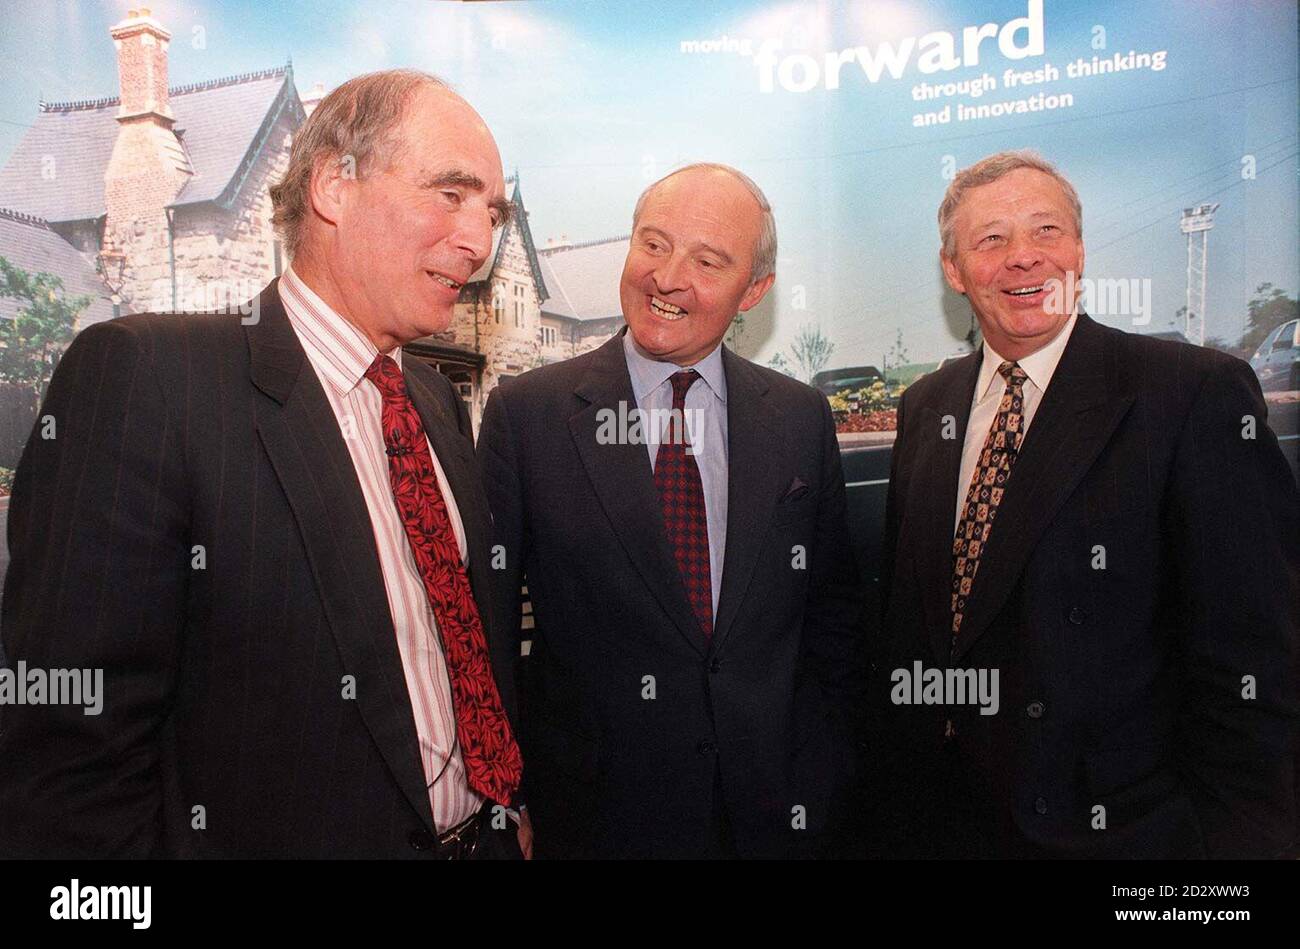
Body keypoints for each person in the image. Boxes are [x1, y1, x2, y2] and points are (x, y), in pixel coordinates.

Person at [0, 69, 529, 859]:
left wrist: (503, 812)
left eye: (492, 212)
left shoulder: (433, 401)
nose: (479, 243)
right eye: (451, 195)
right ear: (333, 188)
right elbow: (73, 763)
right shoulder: (148, 380)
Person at [871, 149, 1299, 858]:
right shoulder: (927, 406)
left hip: (1126, 835)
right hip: (945, 822)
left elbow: (1256, 670)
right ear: (953, 271)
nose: (1023, 259)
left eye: (1046, 231)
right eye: (991, 239)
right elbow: (914, 626)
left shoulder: (1191, 394)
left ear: (1078, 251)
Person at [478, 163, 866, 859]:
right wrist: (508, 797)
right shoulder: (527, 415)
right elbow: (490, 631)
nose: (667, 276)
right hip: (596, 822)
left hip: (775, 817)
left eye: (708, 260)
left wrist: (824, 775)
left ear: (755, 289)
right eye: (653, 244)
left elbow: (831, 620)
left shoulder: (799, 418)